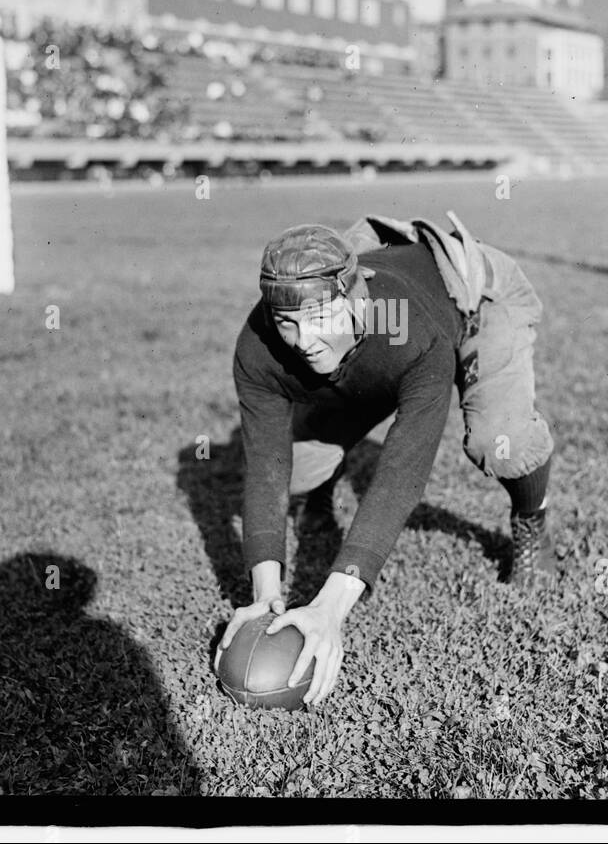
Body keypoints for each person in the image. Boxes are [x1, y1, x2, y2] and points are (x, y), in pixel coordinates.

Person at [216, 213, 557, 706]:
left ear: (355, 300)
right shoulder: (259, 344)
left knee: (498, 441)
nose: (302, 339)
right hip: (371, 349)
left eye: (318, 318)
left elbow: (402, 471)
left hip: (475, 302)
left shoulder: (405, 330)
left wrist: (331, 608)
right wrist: (264, 597)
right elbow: (267, 462)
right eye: (288, 323)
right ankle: (325, 486)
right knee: (299, 469)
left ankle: (532, 521)